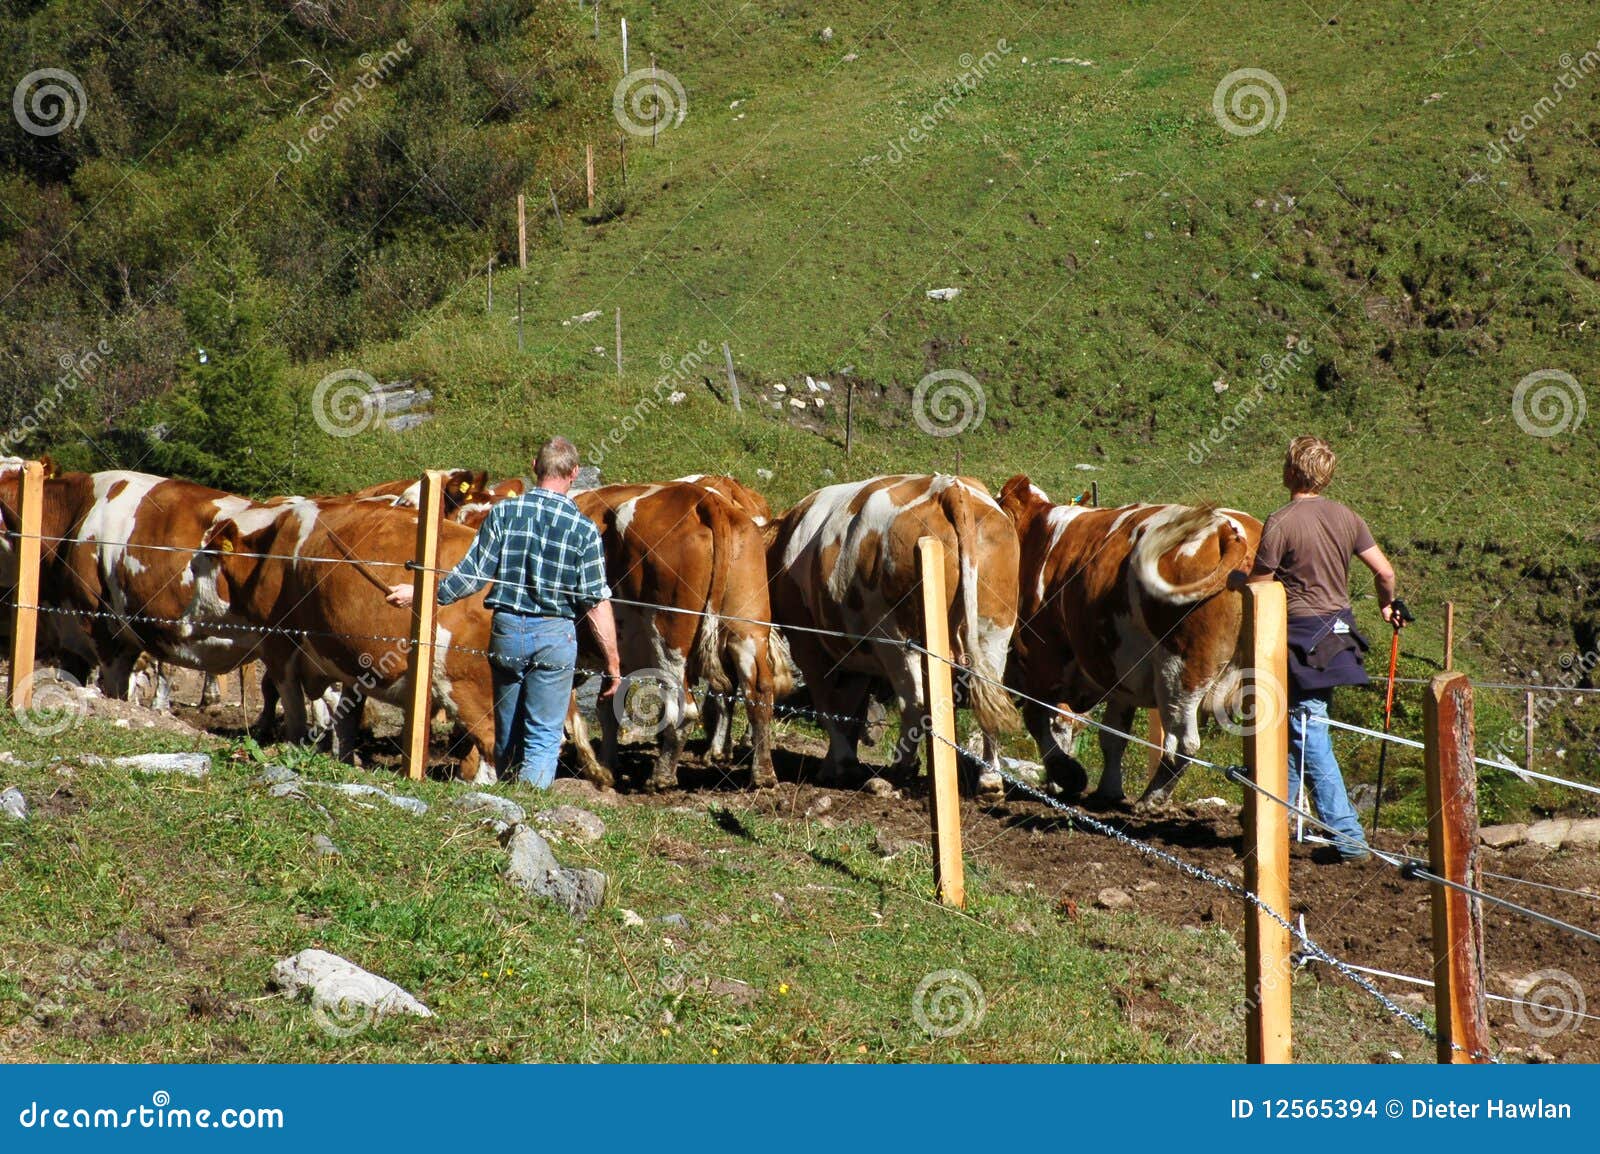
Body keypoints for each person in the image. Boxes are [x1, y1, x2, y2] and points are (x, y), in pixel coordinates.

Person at [387, 437, 621, 788]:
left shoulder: (503, 513)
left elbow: (471, 576)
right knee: (543, 734)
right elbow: (596, 602)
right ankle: (530, 802)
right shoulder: (583, 529)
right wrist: (613, 664)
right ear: (574, 472)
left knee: (507, 727)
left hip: (507, 631)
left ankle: (508, 795)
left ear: (534, 467)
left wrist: (421, 593)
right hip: (555, 634)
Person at [1247, 435, 1398, 863]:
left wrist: (1238, 581)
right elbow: (1385, 573)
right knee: (1295, 729)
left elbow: (1261, 585)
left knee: (1309, 732)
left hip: (1299, 637)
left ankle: (1348, 836)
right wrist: (1386, 605)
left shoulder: (1281, 521)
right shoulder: (1348, 517)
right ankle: (1275, 823)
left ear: (1292, 472)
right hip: (1338, 633)